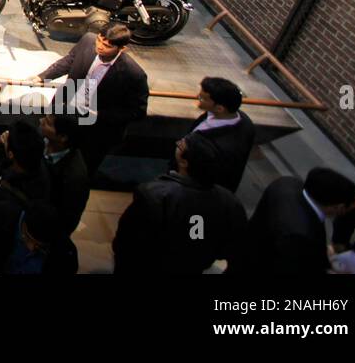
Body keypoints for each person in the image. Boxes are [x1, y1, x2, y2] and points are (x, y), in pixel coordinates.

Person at [113, 134, 247, 274]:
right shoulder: (231, 202)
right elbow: (232, 246)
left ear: (184, 162)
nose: (177, 143)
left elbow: (126, 243)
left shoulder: (154, 196)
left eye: (180, 145)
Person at [34, 23, 149, 178]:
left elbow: (137, 111)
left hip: (96, 130)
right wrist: (43, 76)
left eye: (107, 45)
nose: (100, 47)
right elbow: (69, 60)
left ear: (122, 49)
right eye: (100, 40)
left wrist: (98, 114)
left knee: (78, 171)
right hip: (64, 113)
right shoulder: (88, 40)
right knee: (42, 157)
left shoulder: (133, 74)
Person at [235, 167, 355, 274]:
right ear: (338, 207)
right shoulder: (300, 236)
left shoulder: (286, 183)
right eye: (348, 208)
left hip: (245, 257)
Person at [0, 198, 75, 274]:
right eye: (27, 238)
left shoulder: (64, 251)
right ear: (23, 223)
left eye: (40, 247)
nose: (31, 248)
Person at [187, 76, 256, 193]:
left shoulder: (222, 147)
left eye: (202, 98)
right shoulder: (228, 115)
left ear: (219, 108)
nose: (197, 98)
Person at [41, 113, 91, 236]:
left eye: (47, 123)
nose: (41, 121)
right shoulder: (43, 138)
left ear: (62, 137)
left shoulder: (75, 177)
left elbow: (67, 220)